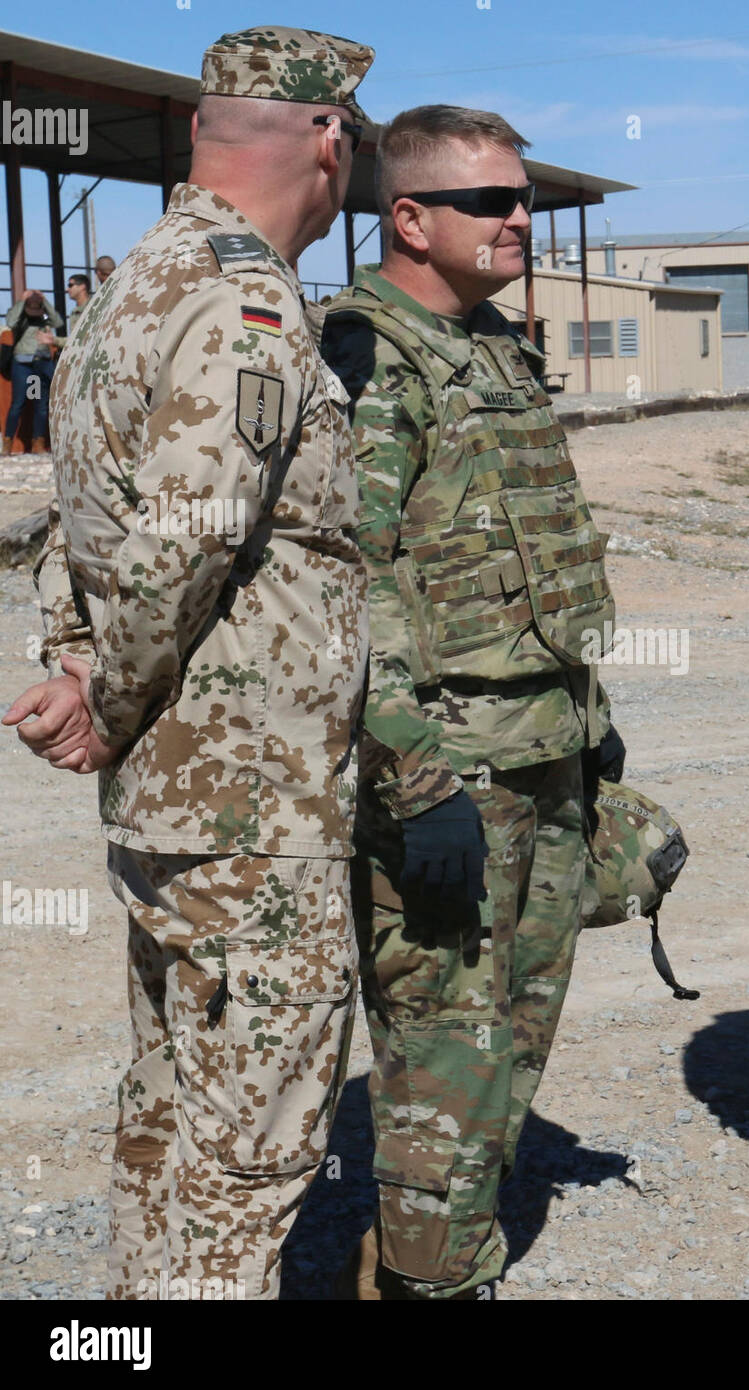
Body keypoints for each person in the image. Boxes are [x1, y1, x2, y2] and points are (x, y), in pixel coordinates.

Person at [2, 25, 375, 1300]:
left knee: (171, 1112)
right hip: (251, 803)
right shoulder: (246, 300)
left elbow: (81, 509)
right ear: (327, 140)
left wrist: (76, 661)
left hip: (178, 804)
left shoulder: (132, 285)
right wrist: (103, 696)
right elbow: (184, 537)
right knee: (250, 1153)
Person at [321, 103, 623, 1300]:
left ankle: (431, 1262)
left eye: (523, 197)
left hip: (543, 749)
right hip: (451, 770)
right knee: (445, 1058)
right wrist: (416, 775)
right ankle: (432, 1285)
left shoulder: (493, 345)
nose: (518, 218)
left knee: (514, 1038)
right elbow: (353, 581)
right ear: (407, 217)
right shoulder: (365, 355)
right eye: (489, 201)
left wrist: (590, 723)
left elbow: (524, 552)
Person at [3, 289, 64, 453]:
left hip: (39, 364)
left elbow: (58, 322)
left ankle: (38, 442)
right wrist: (22, 301)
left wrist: (45, 302)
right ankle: (7, 442)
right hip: (23, 364)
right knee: (18, 403)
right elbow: (10, 321)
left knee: (39, 403)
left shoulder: (44, 318)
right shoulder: (19, 316)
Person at [53, 273, 93, 349]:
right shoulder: (75, 311)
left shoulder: (92, 308)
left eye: (70, 285)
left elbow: (79, 340)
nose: (67, 289)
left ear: (82, 286)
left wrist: (53, 340)